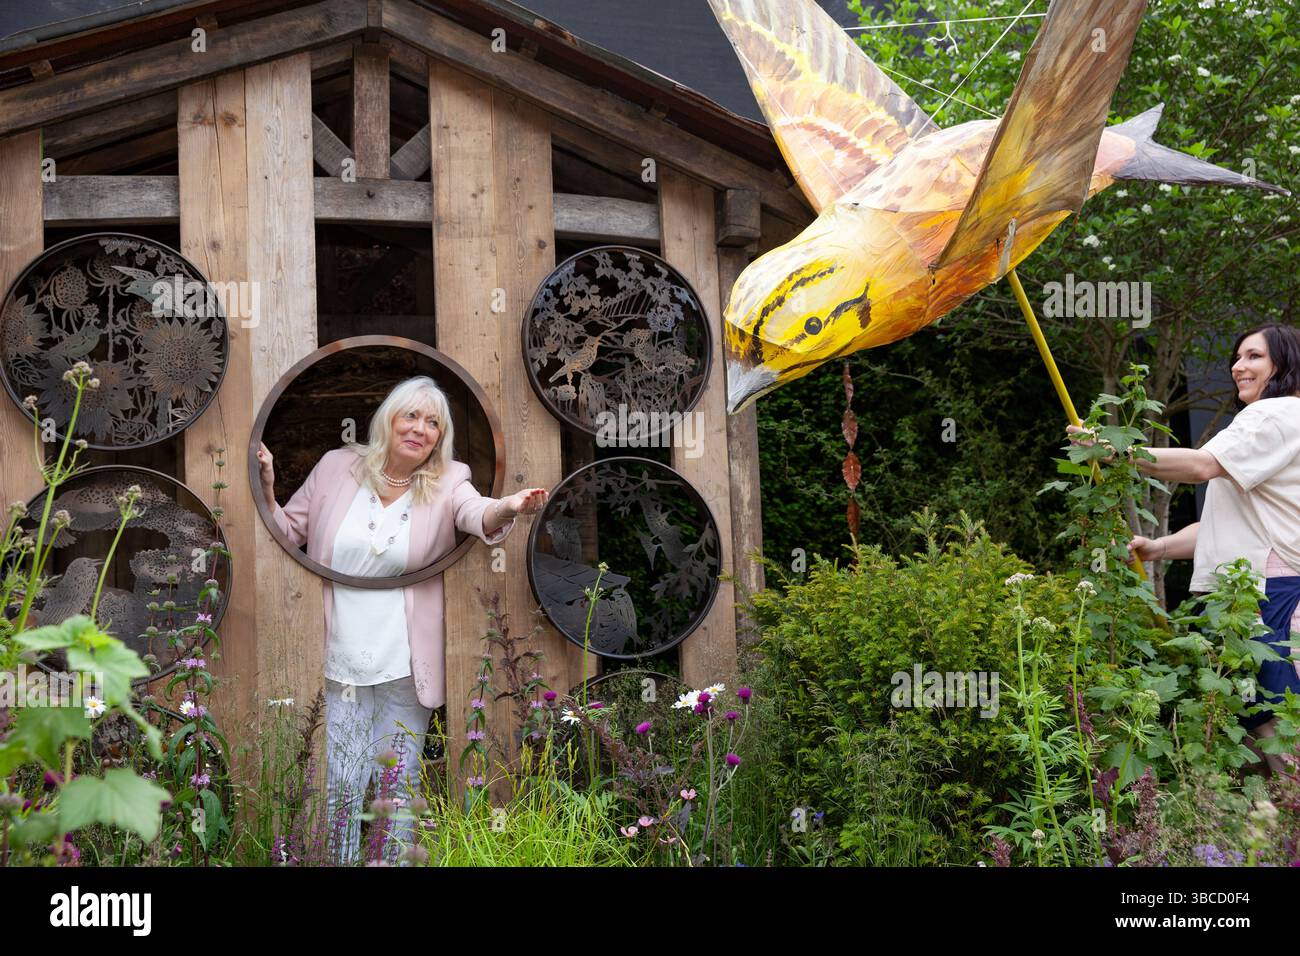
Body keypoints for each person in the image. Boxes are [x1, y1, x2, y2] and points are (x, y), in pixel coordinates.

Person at [256, 375, 548, 863]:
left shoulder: (449, 479)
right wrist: (267, 488)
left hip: (402, 659)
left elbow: (477, 513)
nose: (420, 429)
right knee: (341, 780)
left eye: (433, 422)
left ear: (441, 435)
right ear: (388, 420)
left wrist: (510, 506)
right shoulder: (337, 466)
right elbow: (290, 532)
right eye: (410, 416)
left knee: (397, 777)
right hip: (338, 652)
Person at [1070, 323, 1300, 773]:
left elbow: (1201, 465)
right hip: (1267, 584)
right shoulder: (1282, 422)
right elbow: (1232, 527)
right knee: (1270, 724)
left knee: (1280, 726)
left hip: (1269, 592)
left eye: (1254, 356)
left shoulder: (1272, 415)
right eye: (1237, 357)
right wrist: (1156, 547)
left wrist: (1114, 450)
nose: (1238, 366)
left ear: (1285, 363)